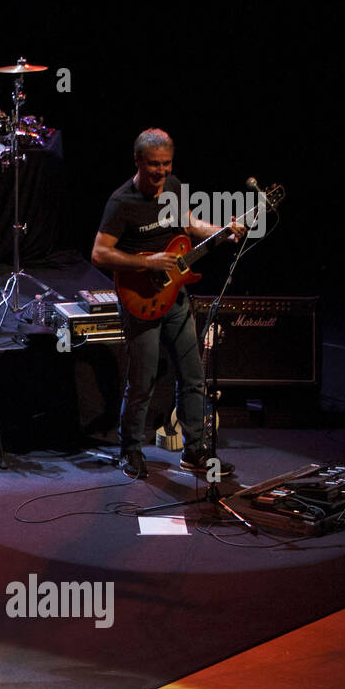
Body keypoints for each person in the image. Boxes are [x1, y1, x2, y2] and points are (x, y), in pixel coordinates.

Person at [91, 128, 246, 480]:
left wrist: (221, 231)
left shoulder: (174, 186)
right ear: (138, 162)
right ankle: (130, 450)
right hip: (141, 301)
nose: (160, 172)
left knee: (193, 376)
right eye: (153, 166)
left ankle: (196, 450)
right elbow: (99, 253)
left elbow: (189, 224)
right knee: (141, 382)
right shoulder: (121, 202)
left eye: (166, 164)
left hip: (176, 297)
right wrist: (147, 263)